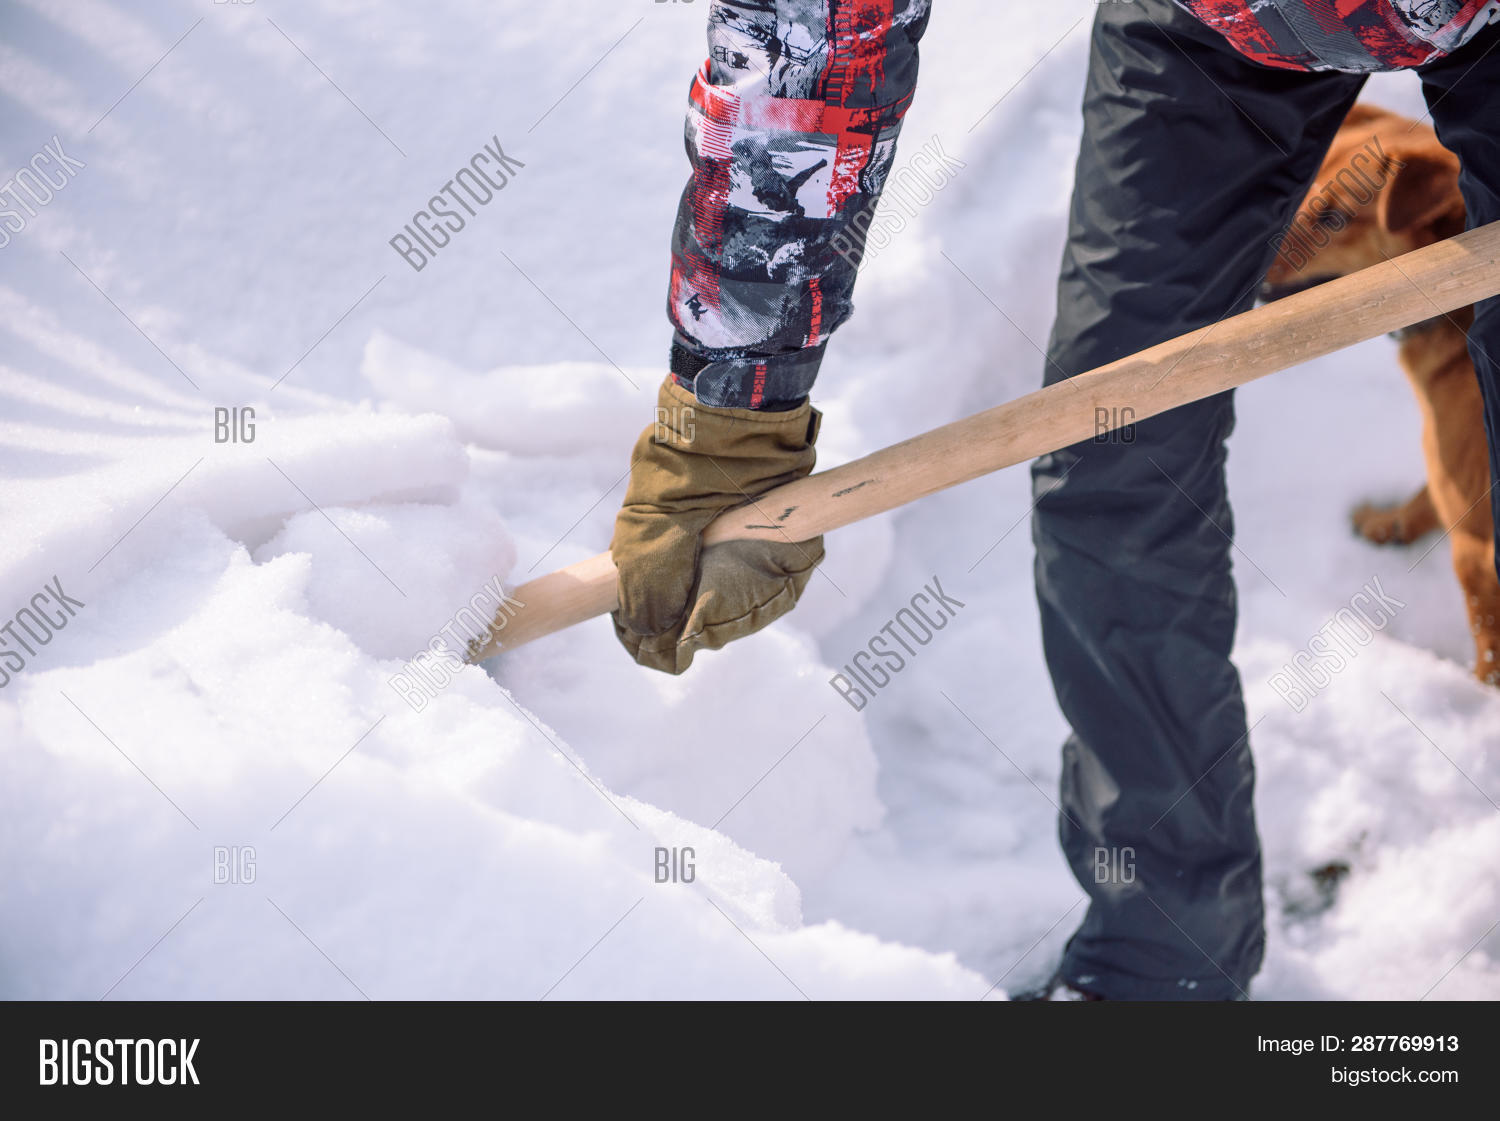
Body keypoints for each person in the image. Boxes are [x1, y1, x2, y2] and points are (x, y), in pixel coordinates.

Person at [608, 0, 1500, 1000]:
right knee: (1111, 459)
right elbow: (811, 36)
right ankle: (1166, 960)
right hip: (1214, 29)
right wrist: (733, 396)